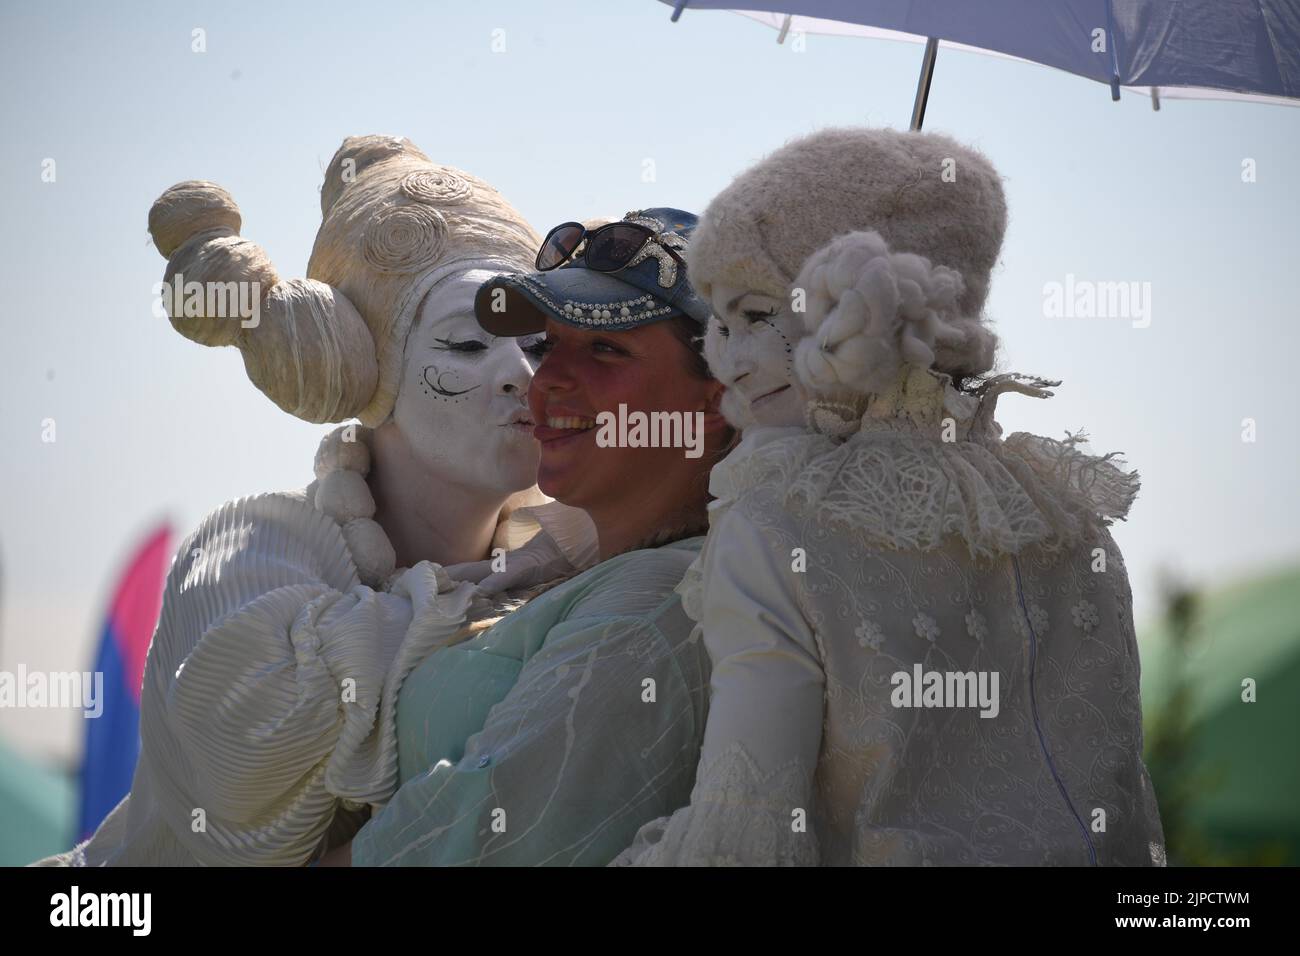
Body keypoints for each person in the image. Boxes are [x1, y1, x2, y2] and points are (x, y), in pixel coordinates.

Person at [35, 136, 597, 866]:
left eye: (536, 345)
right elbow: (239, 790)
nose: (521, 375)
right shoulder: (248, 558)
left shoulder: (568, 563)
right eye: (465, 344)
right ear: (367, 370)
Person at [612, 128, 1167, 866]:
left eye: (756, 315)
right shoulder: (1069, 521)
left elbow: (744, 826)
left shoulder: (777, 526)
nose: (732, 363)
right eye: (720, 323)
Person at [318, 209, 734, 866]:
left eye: (606, 348)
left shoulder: (653, 607)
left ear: (715, 403)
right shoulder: (590, 574)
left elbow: (460, 850)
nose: (546, 385)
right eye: (549, 346)